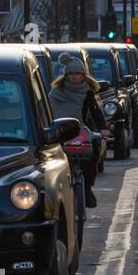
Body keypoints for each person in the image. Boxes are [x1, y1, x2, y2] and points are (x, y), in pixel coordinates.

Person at [47, 54, 108, 209]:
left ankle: (87, 189)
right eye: (71, 74)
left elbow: (95, 111)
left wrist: (102, 129)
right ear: (66, 75)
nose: (75, 77)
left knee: (93, 151)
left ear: (83, 76)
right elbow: (47, 112)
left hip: (81, 130)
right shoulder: (56, 92)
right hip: (60, 131)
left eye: (78, 74)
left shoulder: (87, 92)